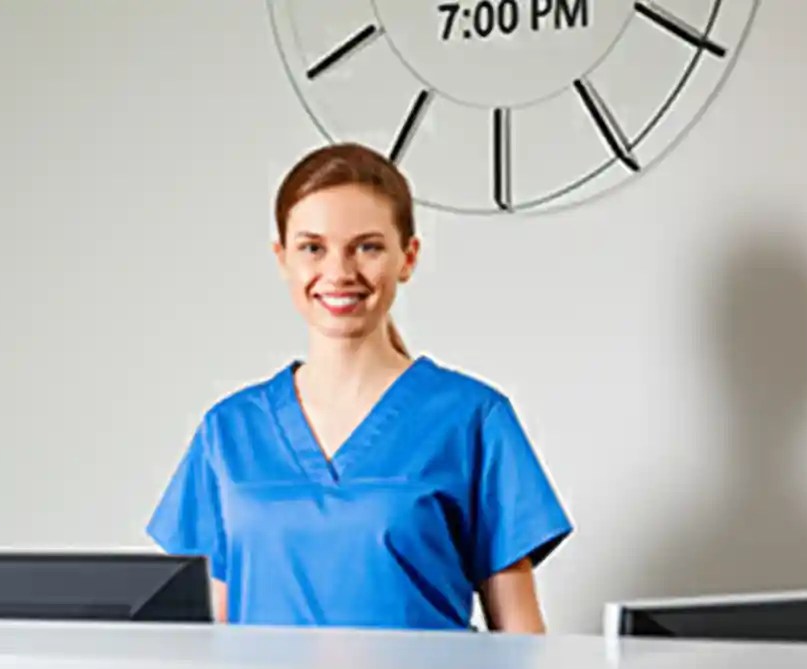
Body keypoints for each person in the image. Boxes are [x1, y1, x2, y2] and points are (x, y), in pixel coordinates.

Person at [146, 142, 572, 633]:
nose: (339, 273)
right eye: (313, 248)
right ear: (282, 258)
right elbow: (206, 638)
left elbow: (520, 638)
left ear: (407, 258)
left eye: (367, 247)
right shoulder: (229, 431)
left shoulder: (472, 419)